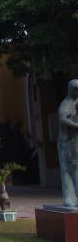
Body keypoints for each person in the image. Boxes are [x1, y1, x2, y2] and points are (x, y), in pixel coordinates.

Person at [57, 79, 78, 208]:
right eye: (76, 89)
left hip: (75, 142)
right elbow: (62, 118)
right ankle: (70, 198)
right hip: (67, 143)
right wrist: (76, 125)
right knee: (69, 170)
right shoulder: (66, 103)